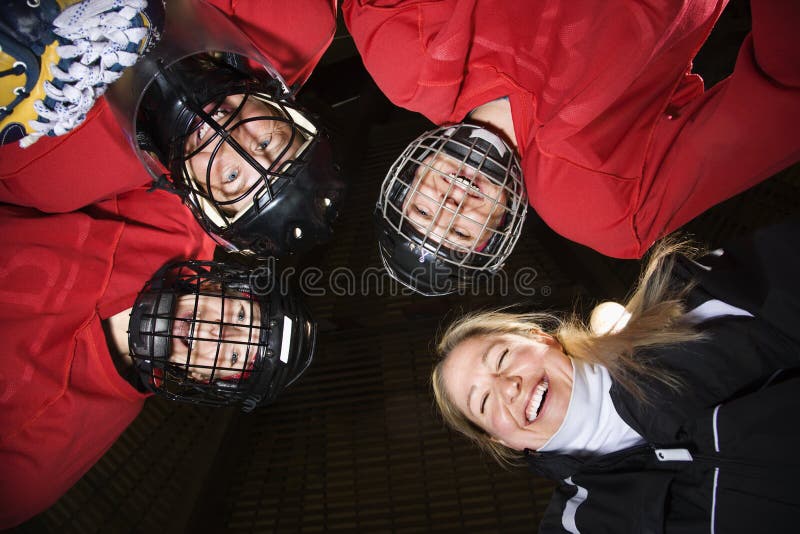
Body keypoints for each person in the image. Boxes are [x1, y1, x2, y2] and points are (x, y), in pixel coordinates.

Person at [345, 0, 800, 288]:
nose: (452, 203)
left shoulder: (403, 60)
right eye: (461, 232)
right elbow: (781, 101)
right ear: (498, 229)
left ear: (410, 181)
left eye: (424, 212)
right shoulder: (603, 206)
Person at [431, 220, 800, 532]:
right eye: (482, 401)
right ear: (500, 440)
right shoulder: (579, 525)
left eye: (502, 357)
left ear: (542, 338)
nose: (507, 387)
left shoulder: (686, 296)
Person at [0, 188, 316, 528]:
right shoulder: (171, 218)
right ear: (219, 286)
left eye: (236, 354)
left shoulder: (34, 467)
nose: (216, 332)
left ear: (202, 378)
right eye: (240, 316)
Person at [1, 0, 345, 256]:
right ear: (287, 113)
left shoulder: (53, 173)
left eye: (231, 178)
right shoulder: (290, 21)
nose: (233, 137)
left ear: (196, 196)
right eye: (269, 142)